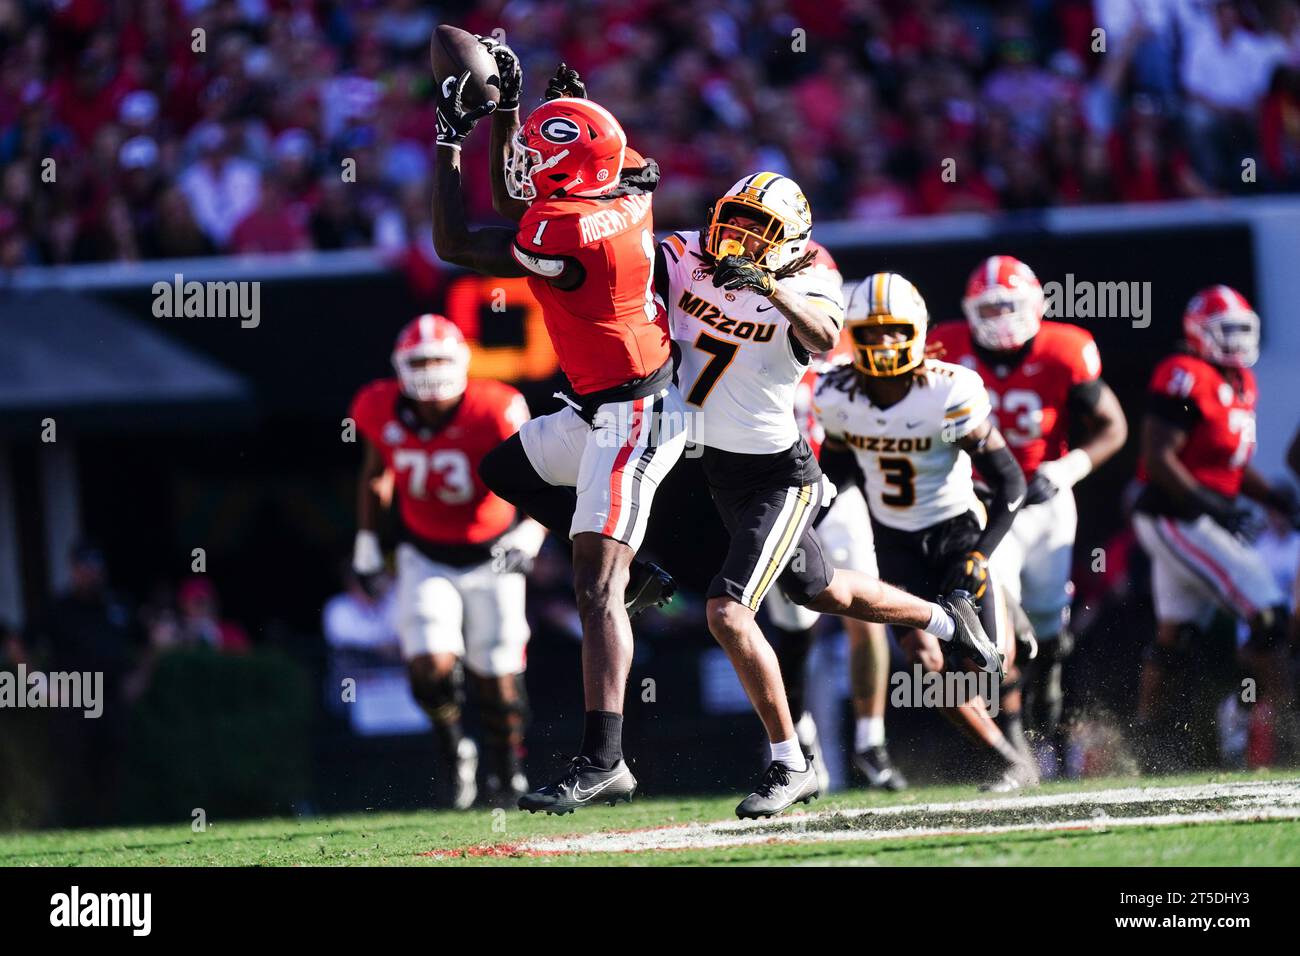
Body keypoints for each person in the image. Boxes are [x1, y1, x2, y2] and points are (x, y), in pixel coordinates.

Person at [662, 178, 1004, 815]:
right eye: (734, 220)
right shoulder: (682, 255)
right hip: (717, 466)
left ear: (789, 242)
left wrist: (766, 284)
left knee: (729, 611)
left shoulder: (811, 280)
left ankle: (794, 761)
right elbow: (611, 260)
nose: (739, 239)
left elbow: (821, 333)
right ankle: (943, 618)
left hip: (782, 473)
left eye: (759, 230)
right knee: (824, 593)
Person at [429, 45, 686, 814]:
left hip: (636, 415)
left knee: (591, 585)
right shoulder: (631, 184)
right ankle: (642, 573)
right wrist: (518, 110)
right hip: (597, 403)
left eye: (545, 153)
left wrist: (450, 137)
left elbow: (462, 238)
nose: (531, 162)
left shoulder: (570, 231)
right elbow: (544, 186)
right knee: (506, 469)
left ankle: (604, 758)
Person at [814, 273, 1037, 791]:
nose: (885, 343)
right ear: (853, 334)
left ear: (916, 331)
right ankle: (1006, 760)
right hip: (894, 541)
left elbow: (1010, 480)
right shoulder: (838, 392)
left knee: (987, 664)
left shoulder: (948, 389)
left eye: (894, 331)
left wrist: (981, 556)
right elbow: (837, 471)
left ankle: (1007, 625)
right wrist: (804, 521)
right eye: (871, 332)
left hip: (957, 531)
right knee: (923, 660)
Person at [929, 255, 1128, 773]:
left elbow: (1113, 427)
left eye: (1008, 305)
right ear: (969, 311)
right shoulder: (943, 347)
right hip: (982, 501)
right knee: (1001, 621)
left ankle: (1051, 711)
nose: (998, 318)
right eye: (988, 307)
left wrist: (1067, 469)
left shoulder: (1066, 350)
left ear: (1035, 305)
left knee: (1046, 627)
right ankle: (1016, 750)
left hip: (1044, 500)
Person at [350, 314, 544, 808]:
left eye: (439, 359)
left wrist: (533, 529)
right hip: (425, 553)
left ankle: (507, 772)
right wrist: (368, 539)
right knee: (429, 669)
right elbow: (376, 474)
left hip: (493, 553)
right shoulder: (377, 406)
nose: (431, 371)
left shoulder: (496, 408)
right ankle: (454, 746)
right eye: (420, 361)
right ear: (400, 366)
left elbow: (543, 478)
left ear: (461, 362)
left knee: (498, 682)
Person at [1132, 285, 1298, 767]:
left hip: (1200, 514)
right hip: (1173, 514)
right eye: (1224, 330)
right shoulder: (1184, 374)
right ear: (1197, 333)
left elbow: (1229, 463)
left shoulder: (1242, 382)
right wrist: (1213, 504)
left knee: (1176, 636)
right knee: (1267, 615)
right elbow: (1159, 458)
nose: (1235, 341)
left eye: (1241, 330)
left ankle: (1149, 742)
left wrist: (1270, 496)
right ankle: (1283, 731)